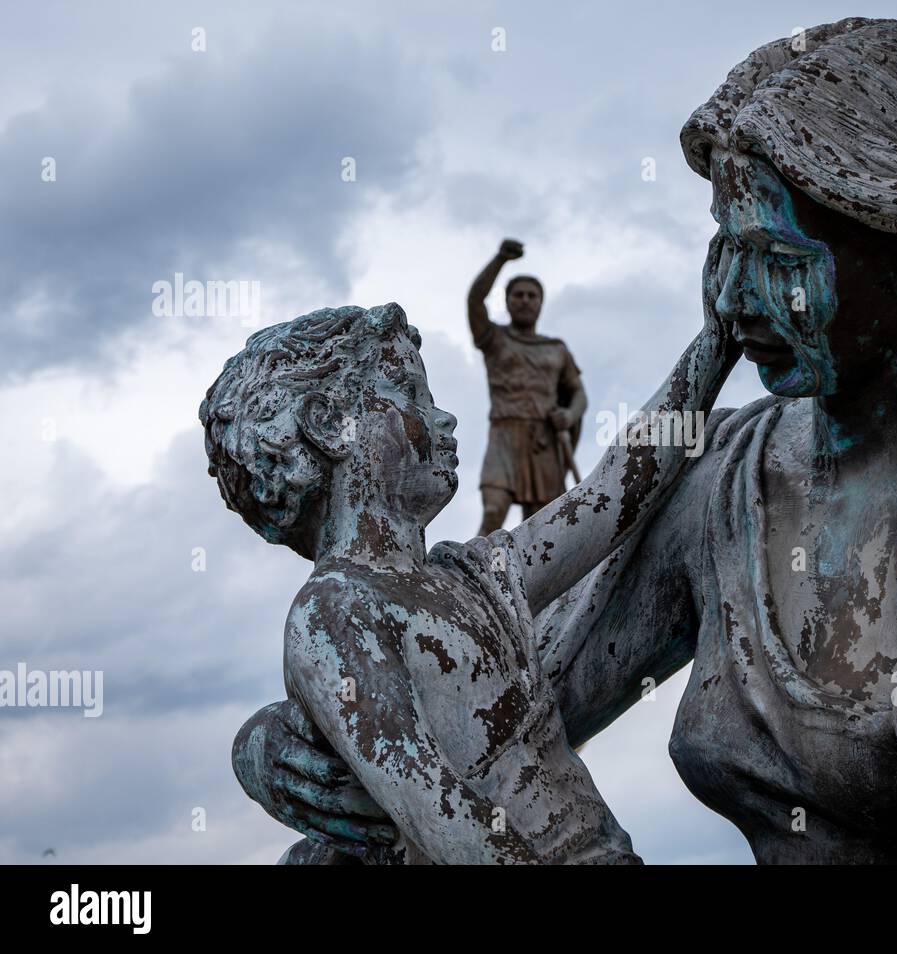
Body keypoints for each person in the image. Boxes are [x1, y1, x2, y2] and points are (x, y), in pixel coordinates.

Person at [232, 18, 897, 864]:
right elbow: (500, 695)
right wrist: (292, 740)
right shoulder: (723, 481)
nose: (735, 301)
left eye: (779, 262)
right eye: (723, 251)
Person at [201, 301, 737, 863]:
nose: (444, 419)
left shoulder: (470, 574)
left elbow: (612, 492)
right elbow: (439, 814)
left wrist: (716, 343)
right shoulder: (334, 613)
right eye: (411, 394)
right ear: (329, 424)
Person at [468, 239, 586, 535]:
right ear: (506, 301)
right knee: (494, 511)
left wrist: (569, 416)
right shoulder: (494, 338)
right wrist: (500, 260)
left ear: (540, 303)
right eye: (518, 295)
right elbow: (474, 301)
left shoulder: (556, 349)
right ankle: (471, 576)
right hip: (505, 437)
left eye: (532, 296)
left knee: (542, 528)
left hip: (543, 443)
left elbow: (578, 394)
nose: (524, 300)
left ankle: (539, 582)